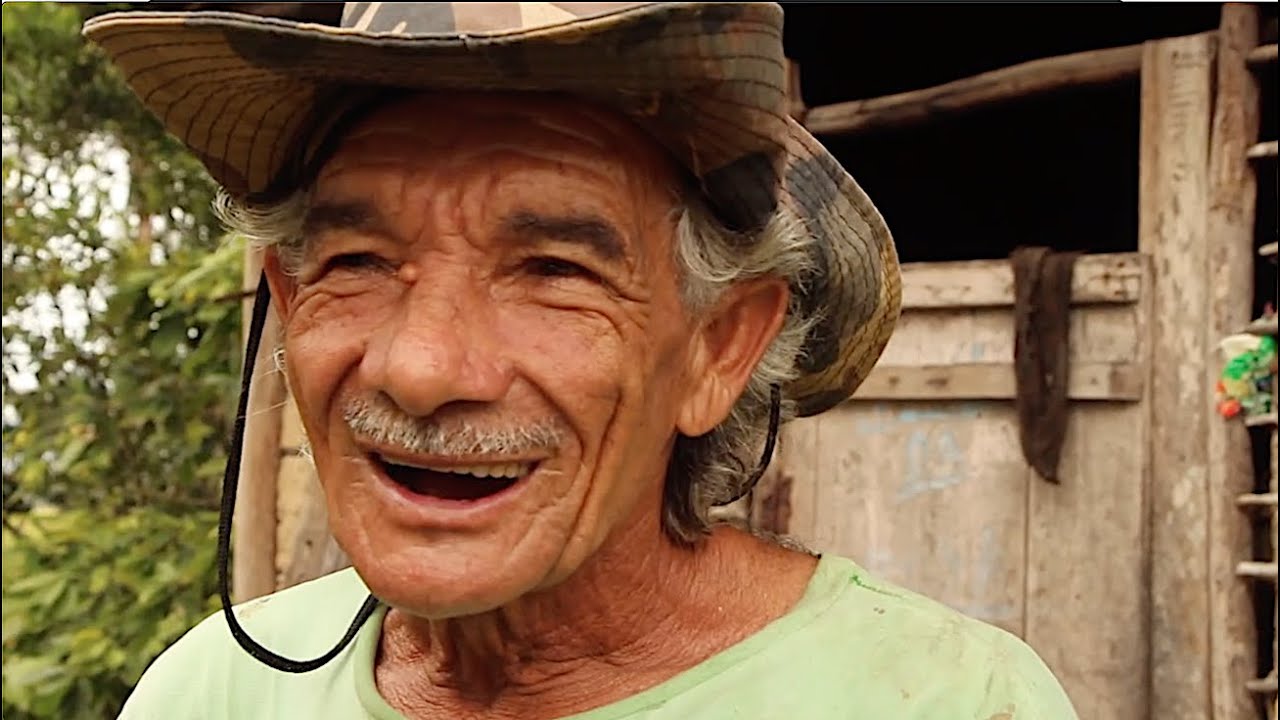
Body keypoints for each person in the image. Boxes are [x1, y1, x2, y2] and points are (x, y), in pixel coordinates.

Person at [85, 3, 1080, 718]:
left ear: (715, 347)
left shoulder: (947, 700)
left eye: (550, 270)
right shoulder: (209, 694)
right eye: (360, 262)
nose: (420, 370)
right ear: (292, 307)